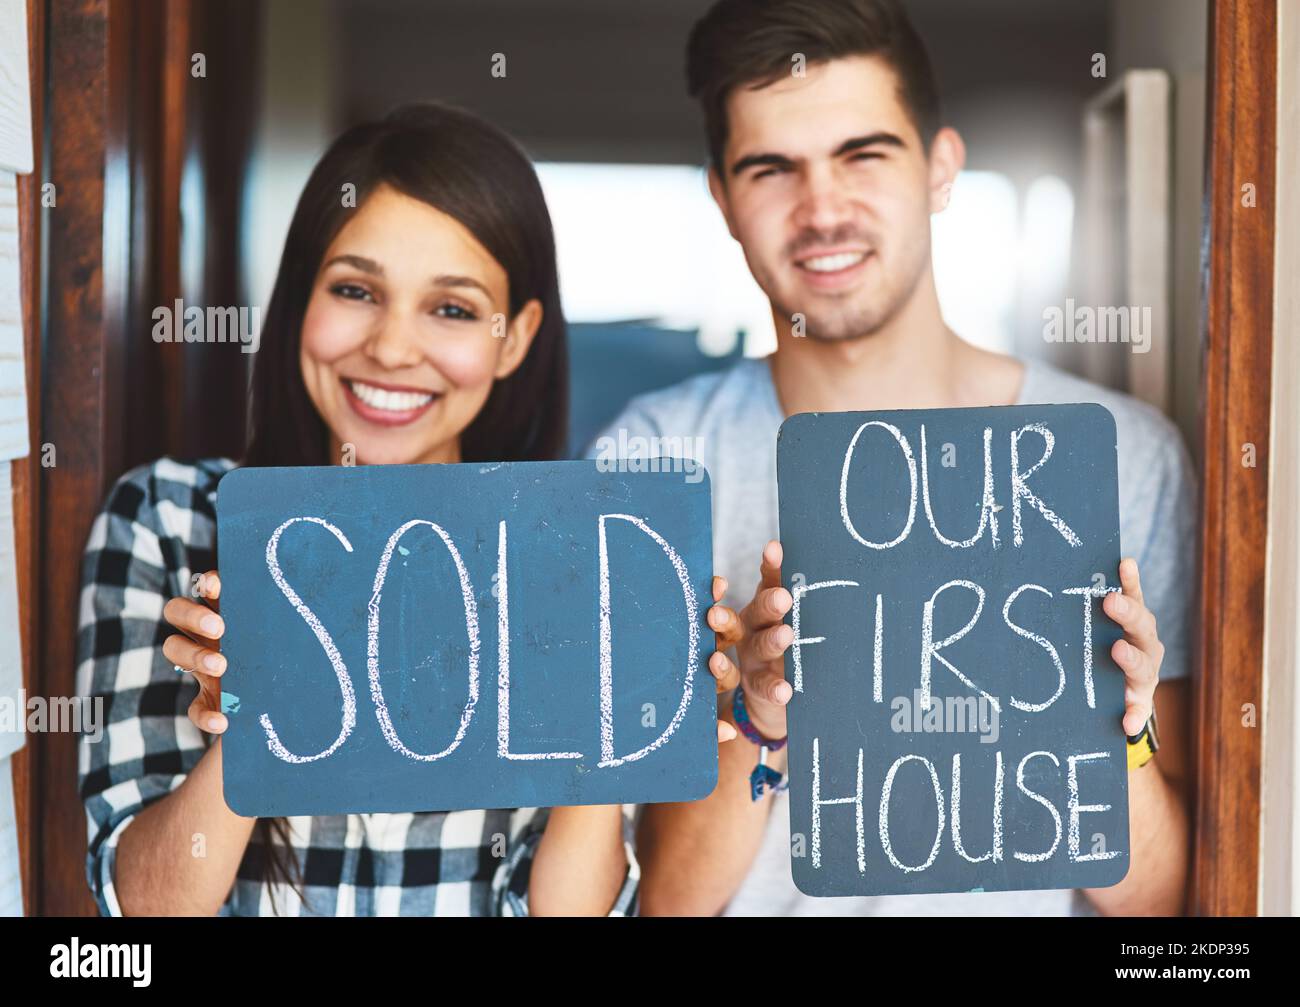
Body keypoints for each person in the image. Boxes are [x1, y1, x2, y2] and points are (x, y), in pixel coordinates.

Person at [599, 0, 1194, 916]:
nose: (822, 208)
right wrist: (757, 716)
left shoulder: (1127, 457)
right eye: (771, 168)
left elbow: (1161, 912)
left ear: (941, 169)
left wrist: (1115, 729)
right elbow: (661, 903)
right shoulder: (649, 462)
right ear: (721, 197)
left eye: (863, 154)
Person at [74, 102, 734, 917]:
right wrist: (255, 725)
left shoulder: (567, 554)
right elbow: (142, 909)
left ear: (515, 337)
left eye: (452, 308)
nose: (391, 347)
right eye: (355, 289)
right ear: (299, 301)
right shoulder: (167, 519)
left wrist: (599, 713)